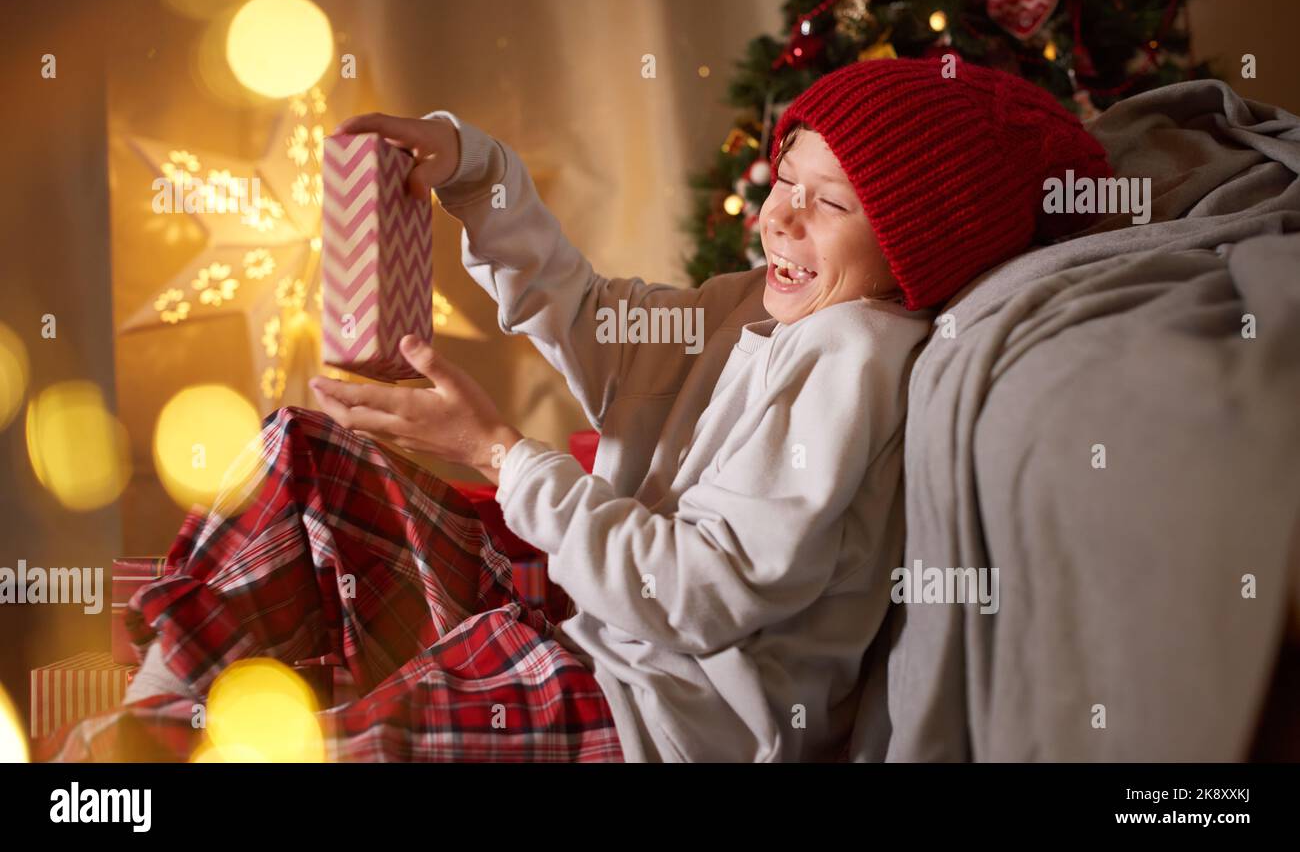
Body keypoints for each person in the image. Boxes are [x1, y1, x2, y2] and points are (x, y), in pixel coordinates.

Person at [49, 57, 1111, 762]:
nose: (778, 211)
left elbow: (700, 593)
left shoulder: (853, 366)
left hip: (660, 715)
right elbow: (601, 323)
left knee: (381, 734)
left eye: (827, 202)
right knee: (306, 454)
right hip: (586, 616)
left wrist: (502, 455)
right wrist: (477, 173)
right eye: (783, 175)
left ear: (912, 249)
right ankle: (146, 728)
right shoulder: (759, 303)